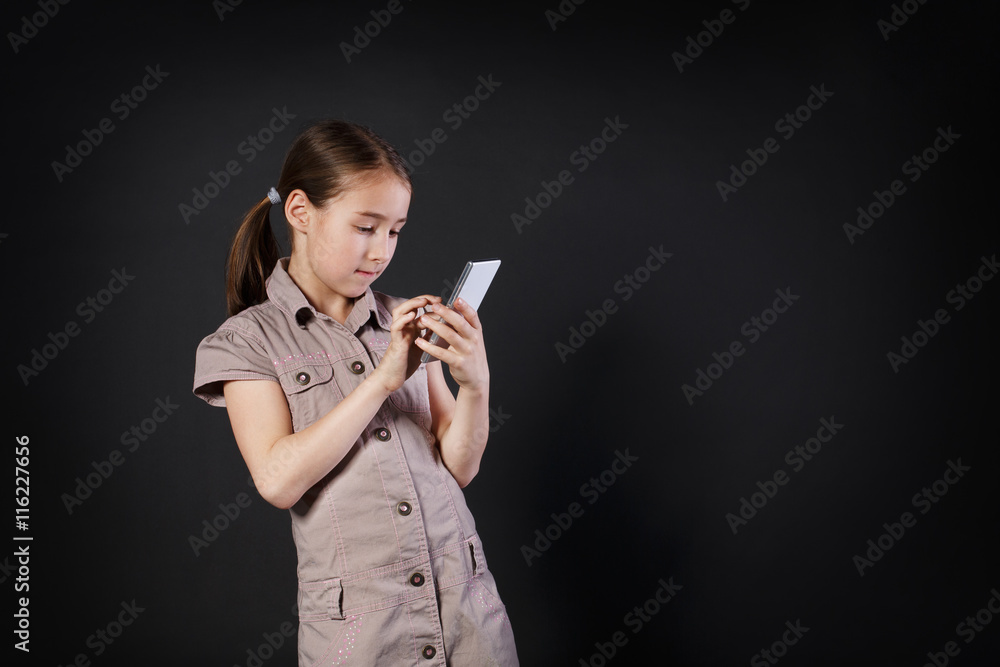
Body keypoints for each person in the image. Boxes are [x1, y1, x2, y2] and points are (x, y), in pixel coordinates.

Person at [192, 119, 518, 666]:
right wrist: (384, 379)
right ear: (300, 212)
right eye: (365, 227)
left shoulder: (403, 318)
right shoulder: (245, 342)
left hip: (469, 619)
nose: (382, 250)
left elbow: (457, 468)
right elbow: (278, 480)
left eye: (395, 231)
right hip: (364, 636)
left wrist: (475, 383)